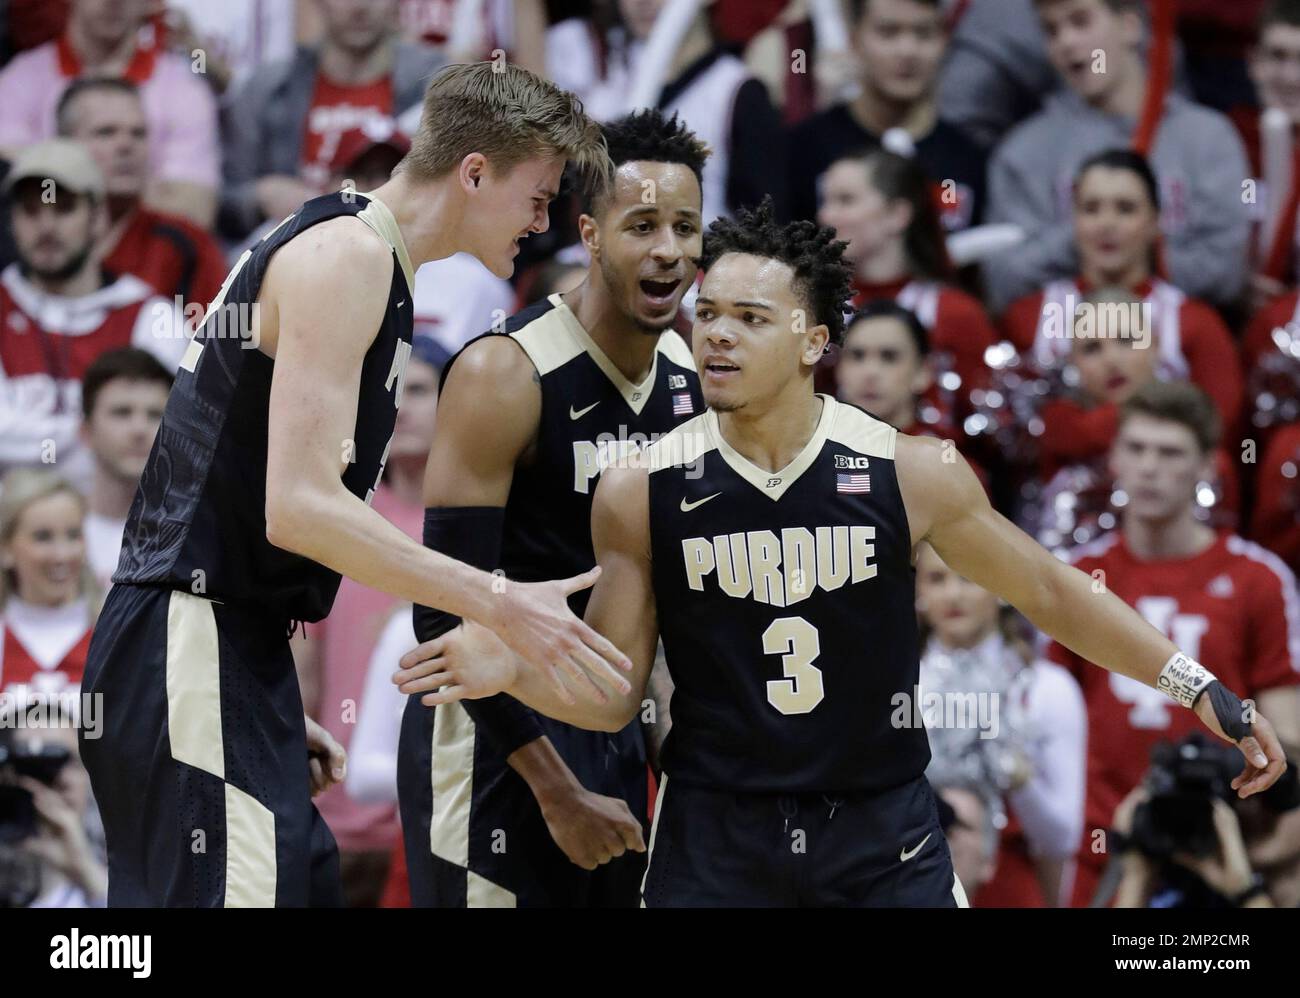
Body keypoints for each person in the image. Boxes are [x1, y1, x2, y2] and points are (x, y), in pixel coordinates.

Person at [396, 201, 1288, 907]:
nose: (717, 335)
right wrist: (506, 665)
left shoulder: (911, 469)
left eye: (750, 318)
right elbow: (613, 693)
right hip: (716, 835)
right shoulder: (640, 489)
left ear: (814, 342)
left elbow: (1054, 591)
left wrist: (1196, 687)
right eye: (708, 315)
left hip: (881, 834)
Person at [79, 61, 627, 909]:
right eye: (539, 193)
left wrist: (246, 685)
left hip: (210, 647)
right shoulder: (348, 255)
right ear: (474, 171)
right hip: (189, 638)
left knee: (297, 884)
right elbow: (297, 508)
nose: (544, 220)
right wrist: (498, 600)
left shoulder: (357, 250)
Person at [398, 108, 707, 908]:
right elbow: (441, 611)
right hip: (492, 736)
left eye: (685, 226)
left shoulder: (692, 378)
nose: (668, 249)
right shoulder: (505, 371)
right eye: (642, 225)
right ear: (591, 233)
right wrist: (554, 788)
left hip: (608, 719)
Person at [1047, 381, 1300, 906]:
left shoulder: (1259, 579)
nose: (1149, 467)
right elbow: (1051, 725)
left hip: (1220, 851)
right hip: (1105, 850)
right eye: (1135, 449)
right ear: (1113, 457)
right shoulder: (1078, 578)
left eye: (1170, 453)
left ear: (1208, 465)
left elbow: (1290, 735)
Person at [981, 0, 1251, 313]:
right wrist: (1089, 238)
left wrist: (1122, 257)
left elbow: (1228, 273)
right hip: (1064, 344)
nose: (1066, 42)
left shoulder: (1208, 138)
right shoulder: (1023, 151)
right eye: (1051, 30)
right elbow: (1004, 279)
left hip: (1178, 342)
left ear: (1129, 27)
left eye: (1080, 22)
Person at [999, 150, 1243, 441]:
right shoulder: (1027, 318)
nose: (1107, 224)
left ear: (1156, 220)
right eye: (1091, 208)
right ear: (1073, 220)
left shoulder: (1196, 323)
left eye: (1125, 208)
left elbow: (1219, 438)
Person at [0, 139, 186, 486]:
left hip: (126, 525)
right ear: (12, 220)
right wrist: (93, 434)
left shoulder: (151, 316)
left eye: (64, 208)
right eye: (30, 210)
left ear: (99, 217)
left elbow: (170, 436)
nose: (46, 227)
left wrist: (36, 436)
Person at [914, 542, 1086, 906]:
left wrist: (1020, 780)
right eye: (936, 578)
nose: (953, 593)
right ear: (918, 591)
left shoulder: (1046, 689)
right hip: (913, 879)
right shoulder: (895, 686)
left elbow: (1063, 838)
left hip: (1009, 888)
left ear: (1002, 586)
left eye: (968, 577)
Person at [219, 0, 444, 241]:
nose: (359, 7)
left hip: (407, 250)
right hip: (294, 246)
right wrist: (259, 197)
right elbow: (218, 199)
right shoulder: (268, 87)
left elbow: (463, 193)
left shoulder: (437, 85)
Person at [0, 0, 220, 228]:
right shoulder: (18, 81)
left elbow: (194, 214)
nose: (113, 2)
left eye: (137, 134)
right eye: (106, 133)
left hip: (149, 258)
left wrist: (62, 185)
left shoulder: (185, 88)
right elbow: (15, 198)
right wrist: (140, 190)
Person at [817, 149, 995, 421]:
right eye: (825, 201)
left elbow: (987, 423)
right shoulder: (813, 304)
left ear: (897, 215)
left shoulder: (956, 312)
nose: (826, 216)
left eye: (846, 200)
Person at [788, 0, 986, 233]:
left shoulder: (969, 160)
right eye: (888, 32)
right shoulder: (802, 150)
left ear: (944, 42)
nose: (907, 50)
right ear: (854, 43)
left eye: (924, 34)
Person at [54, 77, 227, 319]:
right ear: (63, 146)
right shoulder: (33, 241)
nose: (126, 145)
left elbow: (217, 347)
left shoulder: (186, 246)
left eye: (138, 134)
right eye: (106, 132)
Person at [78, 349, 173, 590]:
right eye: (122, 412)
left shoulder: (196, 537)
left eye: (155, 415)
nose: (139, 429)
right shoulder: (43, 534)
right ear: (85, 432)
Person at [0, 469, 97, 707]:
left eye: (73, 535)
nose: (62, 555)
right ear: (6, 548)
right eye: (43, 537)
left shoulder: (114, 635)